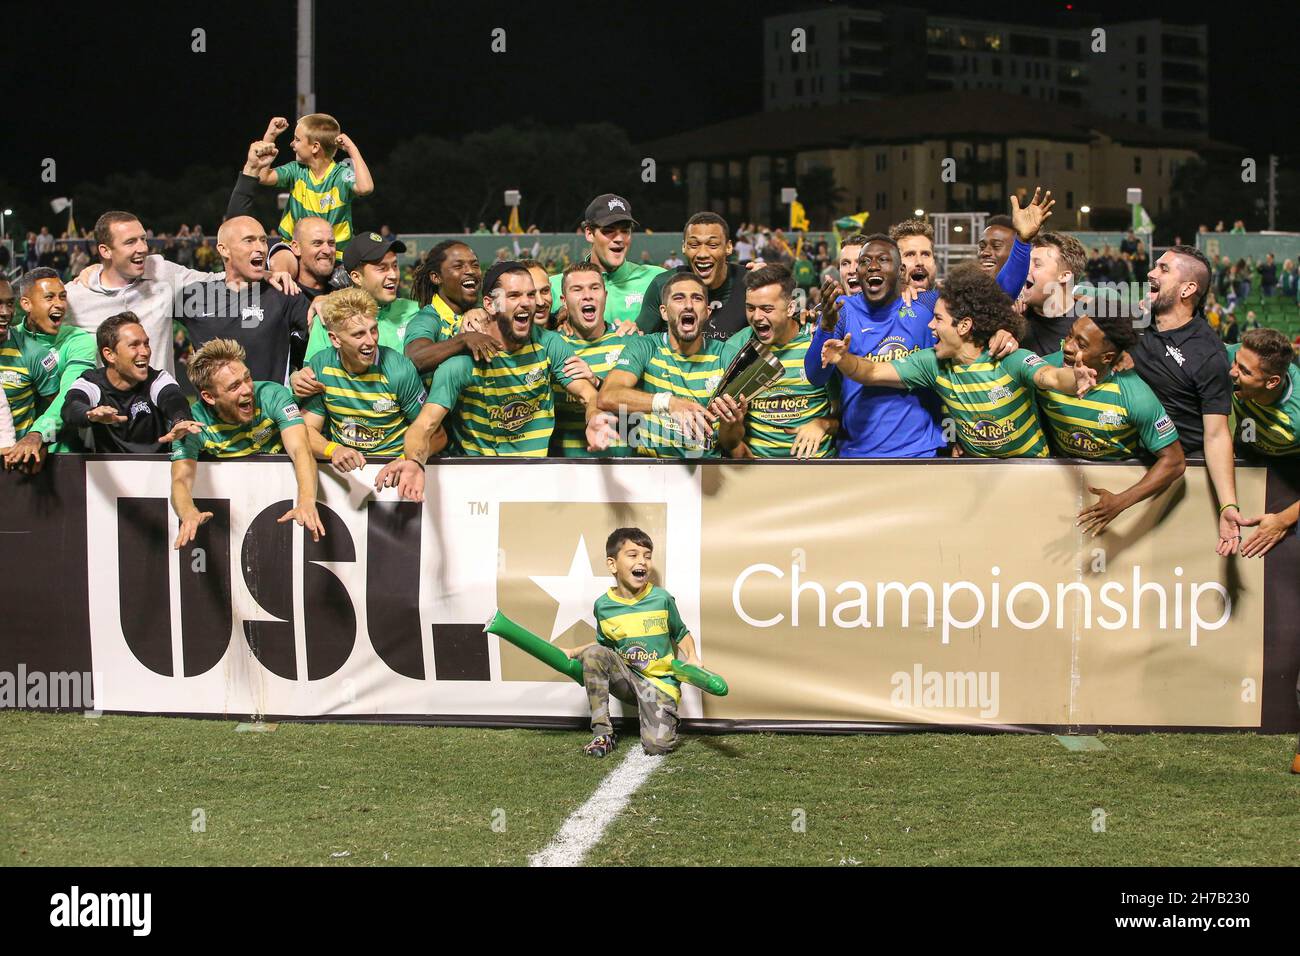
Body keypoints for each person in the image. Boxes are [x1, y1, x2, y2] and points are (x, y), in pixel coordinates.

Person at [819, 262, 1090, 459]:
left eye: (938, 320)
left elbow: (1051, 377)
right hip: (975, 473)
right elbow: (873, 372)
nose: (930, 327)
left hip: (1031, 471)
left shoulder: (1009, 358)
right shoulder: (932, 364)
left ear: (963, 326)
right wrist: (843, 359)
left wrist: (1075, 378)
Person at [386, 262, 615, 487]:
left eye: (530, 294)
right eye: (514, 295)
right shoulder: (462, 363)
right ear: (490, 304)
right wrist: (414, 461)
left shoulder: (549, 343)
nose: (527, 303)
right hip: (480, 483)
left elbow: (587, 394)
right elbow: (425, 424)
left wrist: (594, 416)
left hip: (537, 479)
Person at [66, 211, 295, 376]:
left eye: (143, 239)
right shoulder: (76, 297)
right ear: (105, 251)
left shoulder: (161, 272)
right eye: (130, 242)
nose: (143, 248)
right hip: (104, 423)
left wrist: (270, 272)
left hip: (164, 419)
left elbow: (222, 278)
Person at [1128, 246, 1240, 555]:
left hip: (1179, 473)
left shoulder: (1208, 353)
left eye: (1163, 269)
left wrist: (1227, 504)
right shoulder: (1132, 322)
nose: (1151, 273)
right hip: (1123, 464)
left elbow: (1216, 434)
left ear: (1188, 289)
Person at [1036, 311, 1186, 533]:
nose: (1067, 347)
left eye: (1082, 345)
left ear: (1107, 357)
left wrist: (1121, 501)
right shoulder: (1047, 370)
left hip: (1112, 487)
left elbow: (1174, 461)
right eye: (1069, 336)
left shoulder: (1135, 395)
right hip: (1056, 486)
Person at [169, 338, 323, 549]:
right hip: (234, 524)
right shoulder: (195, 425)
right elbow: (180, 480)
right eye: (234, 386)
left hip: (282, 506)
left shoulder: (272, 395)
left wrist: (306, 501)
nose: (247, 390)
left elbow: (301, 450)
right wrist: (188, 513)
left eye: (247, 378)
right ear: (209, 396)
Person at [563, 527, 702, 757]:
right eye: (633, 555)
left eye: (647, 556)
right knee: (595, 654)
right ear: (612, 564)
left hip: (659, 685)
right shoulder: (603, 606)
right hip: (627, 679)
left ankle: (662, 717)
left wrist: (693, 657)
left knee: (658, 747)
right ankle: (602, 734)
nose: (643, 561)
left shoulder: (662, 599)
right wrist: (573, 651)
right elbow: (603, 650)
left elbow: (681, 634)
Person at [599, 272, 744, 459]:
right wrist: (668, 403)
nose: (689, 305)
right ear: (664, 312)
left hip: (705, 473)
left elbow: (730, 442)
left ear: (707, 312)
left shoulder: (726, 355)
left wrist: (732, 424)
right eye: (679, 298)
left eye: (697, 298)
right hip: (651, 470)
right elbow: (607, 395)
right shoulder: (646, 346)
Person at [299, 288, 433, 473]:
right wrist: (333, 450)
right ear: (335, 340)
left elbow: (435, 434)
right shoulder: (321, 366)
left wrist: (406, 461)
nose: (371, 341)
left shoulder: (399, 370)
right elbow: (306, 430)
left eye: (373, 330)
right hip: (346, 473)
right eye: (358, 334)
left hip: (394, 470)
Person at [714, 265, 838, 459]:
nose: (756, 317)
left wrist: (823, 424)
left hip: (817, 470)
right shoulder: (735, 347)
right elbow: (727, 440)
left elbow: (845, 417)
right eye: (750, 308)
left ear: (790, 308)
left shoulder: (817, 343)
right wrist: (733, 431)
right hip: (759, 472)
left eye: (767, 309)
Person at [175, 216, 310, 387]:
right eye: (249, 241)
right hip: (213, 412)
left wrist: (321, 300)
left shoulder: (284, 293)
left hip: (270, 411)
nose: (260, 248)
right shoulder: (195, 297)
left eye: (263, 240)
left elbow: (321, 338)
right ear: (224, 250)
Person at [61, 312, 200, 454]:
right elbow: (71, 407)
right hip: (104, 472)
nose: (145, 352)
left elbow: (173, 399)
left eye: (146, 344)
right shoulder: (91, 382)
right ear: (110, 354)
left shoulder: (158, 379)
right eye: (134, 345)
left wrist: (180, 420)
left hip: (156, 470)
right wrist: (90, 414)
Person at [2, 269, 96, 460]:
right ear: (26, 304)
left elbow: (69, 398)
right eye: (49, 297)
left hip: (55, 453)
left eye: (62, 297)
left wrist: (42, 438)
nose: (59, 304)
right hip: (17, 449)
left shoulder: (78, 341)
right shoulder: (11, 338)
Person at [252, 114, 373, 257]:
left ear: (315, 147)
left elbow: (366, 188)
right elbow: (263, 176)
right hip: (294, 251)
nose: (292, 144)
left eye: (297, 140)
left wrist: (352, 149)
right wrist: (270, 136)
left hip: (335, 256)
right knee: (281, 262)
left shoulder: (341, 175)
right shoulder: (295, 170)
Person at [552, 263, 635, 457]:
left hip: (623, 468)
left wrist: (596, 382)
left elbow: (641, 413)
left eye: (594, 288)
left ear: (605, 296)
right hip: (564, 471)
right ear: (564, 301)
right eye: (577, 289)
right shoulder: (552, 346)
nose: (587, 295)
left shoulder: (631, 342)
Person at [547, 194, 664, 326]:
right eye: (608, 231)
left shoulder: (656, 279)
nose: (619, 238)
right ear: (589, 234)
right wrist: (554, 321)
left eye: (625, 231)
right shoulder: (553, 288)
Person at [636, 213, 746, 340]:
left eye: (713, 245)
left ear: (728, 247)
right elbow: (640, 341)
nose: (702, 254)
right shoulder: (663, 285)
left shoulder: (749, 282)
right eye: (694, 245)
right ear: (684, 247)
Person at [0, 276, 59, 471]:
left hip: (15, 464)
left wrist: (45, 443)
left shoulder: (35, 354)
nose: (5, 313)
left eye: (9, 304)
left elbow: (57, 409)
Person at [1017, 232, 1090, 356]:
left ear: (1064, 276)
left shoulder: (1091, 323)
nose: (1025, 269)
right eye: (1027, 262)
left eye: (1037, 264)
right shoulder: (1014, 316)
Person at [889, 219, 937, 292]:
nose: (920, 262)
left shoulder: (952, 301)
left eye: (925, 254)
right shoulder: (877, 301)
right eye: (910, 255)